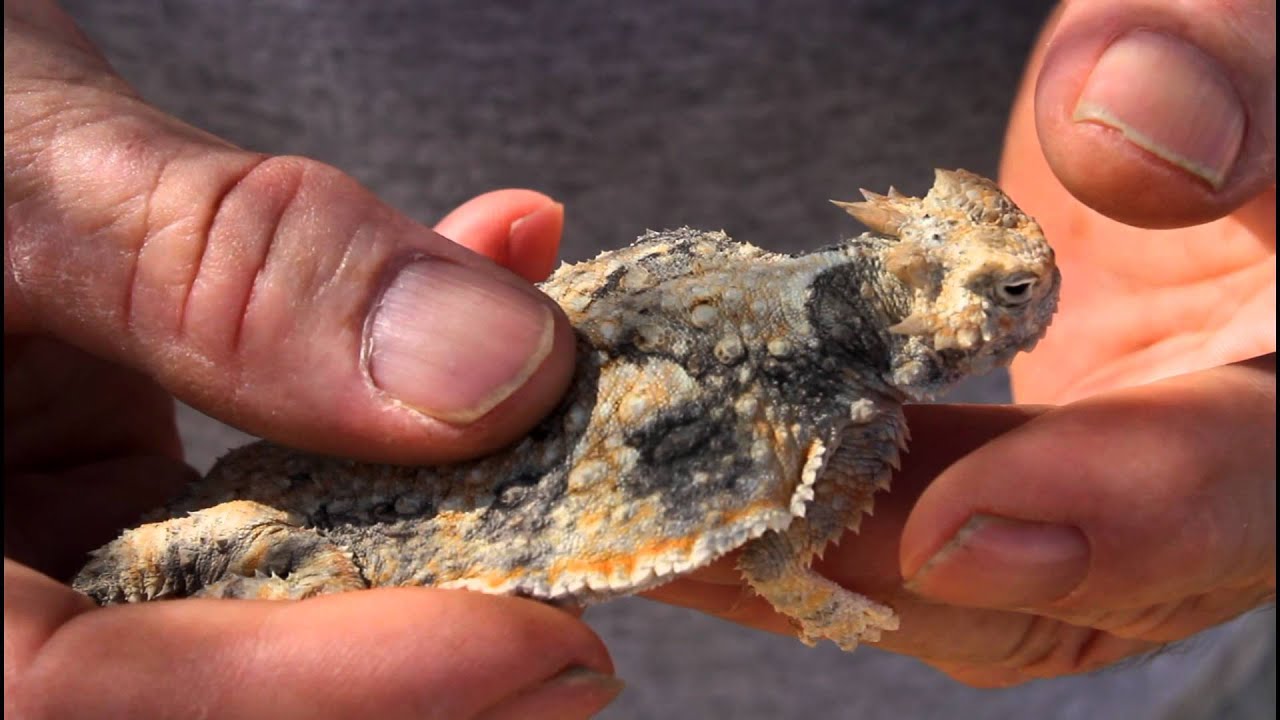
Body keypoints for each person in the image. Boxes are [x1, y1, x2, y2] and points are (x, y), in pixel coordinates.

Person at [4, 0, 1273, 717]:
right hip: (170, 475)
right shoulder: (821, 417)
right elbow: (773, 548)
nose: (1022, 304)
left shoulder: (786, 342)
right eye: (1007, 293)